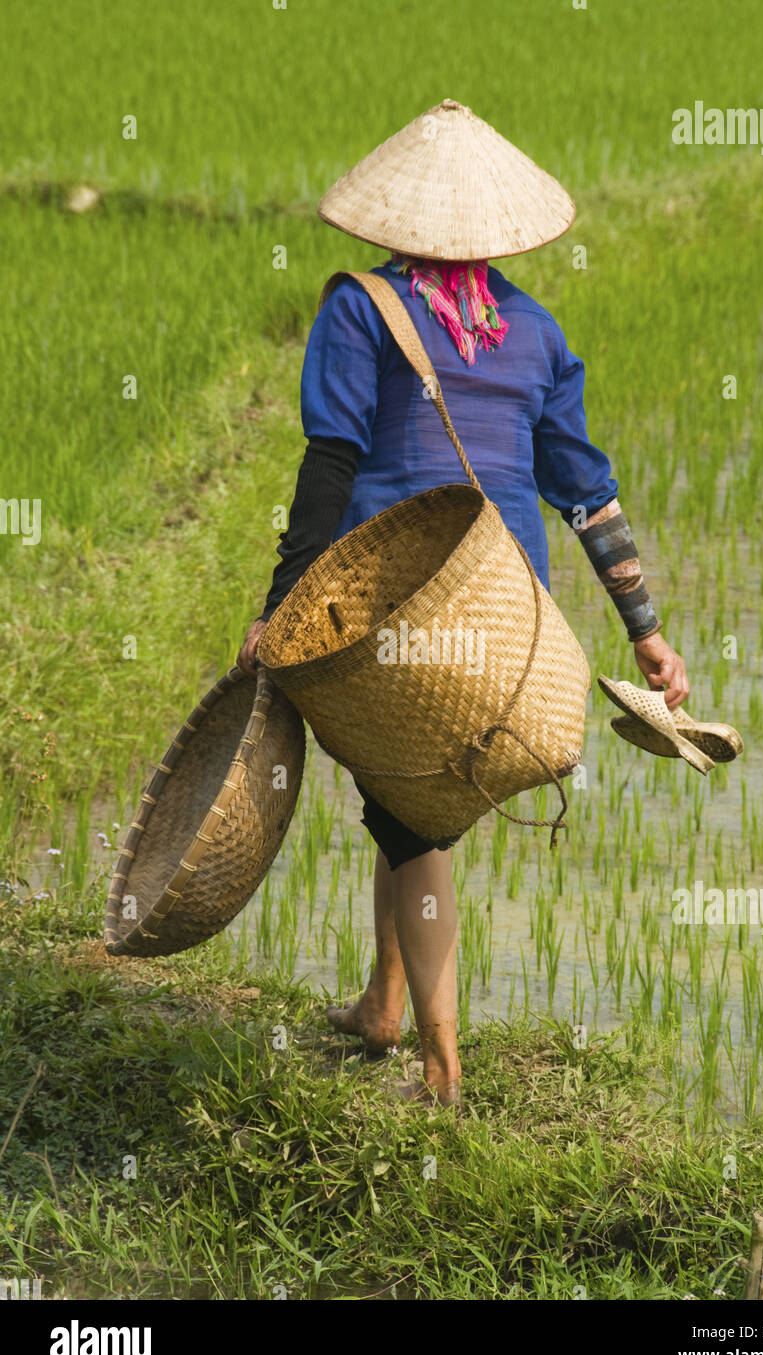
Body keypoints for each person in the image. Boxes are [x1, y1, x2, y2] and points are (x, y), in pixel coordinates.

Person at [237, 100, 689, 1109]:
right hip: (504, 612)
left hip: (394, 603)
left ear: (391, 221)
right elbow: (586, 492)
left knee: (414, 822)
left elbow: (331, 460)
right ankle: (379, 1003)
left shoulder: (358, 308)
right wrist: (645, 631)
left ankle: (440, 1067)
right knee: (407, 803)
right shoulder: (532, 327)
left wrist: (280, 605)